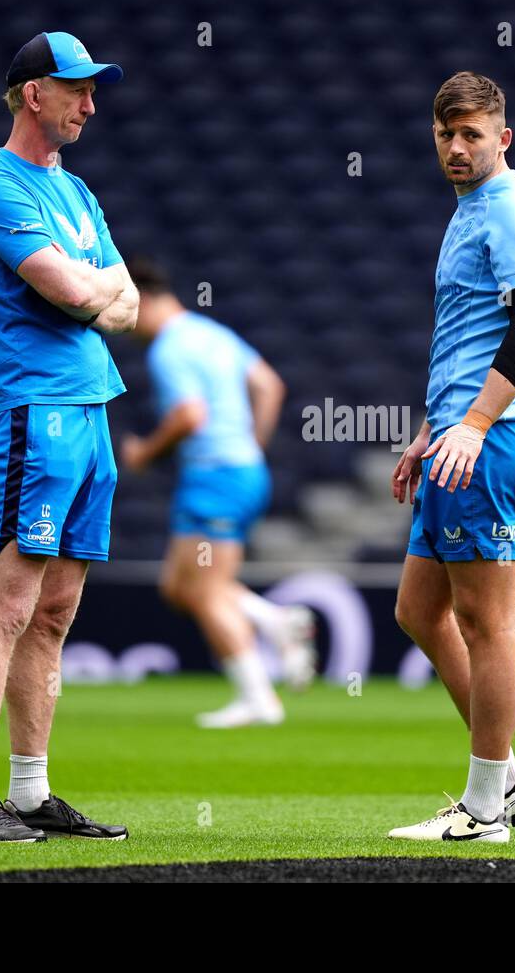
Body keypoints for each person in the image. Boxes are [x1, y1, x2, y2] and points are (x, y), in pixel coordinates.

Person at [0, 32, 138, 840]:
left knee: (54, 611)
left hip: (89, 412)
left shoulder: (77, 192)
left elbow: (127, 303)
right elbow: (71, 292)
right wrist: (91, 292)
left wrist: (93, 293)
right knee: (9, 602)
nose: (90, 105)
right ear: (33, 94)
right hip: (33, 415)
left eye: (94, 90)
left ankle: (28, 791)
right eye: (76, 89)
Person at [387, 72, 515, 843]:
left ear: (502, 138)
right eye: (445, 134)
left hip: (488, 440)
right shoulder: (470, 211)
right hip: (457, 438)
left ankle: (487, 807)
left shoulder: (512, 208)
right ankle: (509, 780)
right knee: (417, 611)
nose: (457, 147)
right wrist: (435, 428)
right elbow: (470, 336)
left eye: (472, 135)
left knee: (488, 624)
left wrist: (476, 423)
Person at [120, 258, 316, 729]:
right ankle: (275, 621)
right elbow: (270, 384)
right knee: (178, 587)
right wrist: (253, 444)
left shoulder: (168, 349)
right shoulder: (211, 332)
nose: (121, 324)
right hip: (236, 472)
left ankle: (258, 699)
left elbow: (190, 416)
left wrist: (145, 452)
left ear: (141, 298)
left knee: (205, 592)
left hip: (216, 477)